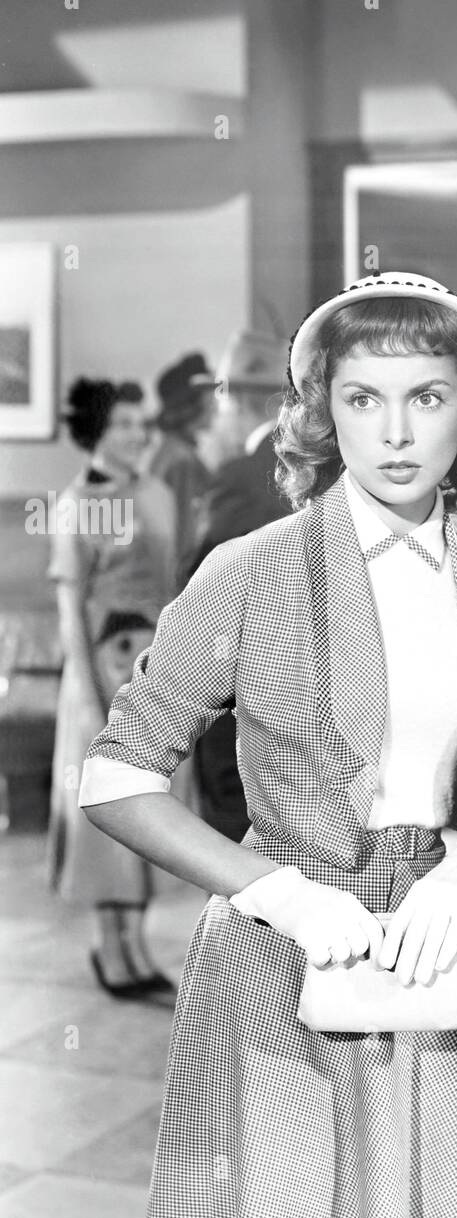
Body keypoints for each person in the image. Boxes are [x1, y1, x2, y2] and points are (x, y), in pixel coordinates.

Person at [77, 272, 457, 1218]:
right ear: (322, 409)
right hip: (277, 967)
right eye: (362, 398)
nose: (394, 431)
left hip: (429, 967)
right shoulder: (250, 571)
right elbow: (115, 773)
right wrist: (277, 891)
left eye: (427, 397)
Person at [47, 377, 182, 999]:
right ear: (97, 430)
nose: (136, 435)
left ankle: (136, 942)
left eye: (141, 423)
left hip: (155, 669)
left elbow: (176, 586)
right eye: (123, 423)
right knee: (107, 806)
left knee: (152, 803)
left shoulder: (155, 493)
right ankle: (110, 947)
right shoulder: (78, 503)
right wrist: (91, 696)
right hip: (99, 673)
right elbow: (70, 609)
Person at [180, 330, 292, 841]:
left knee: (241, 875)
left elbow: (204, 598)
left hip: (248, 708)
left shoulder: (238, 479)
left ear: (236, 399)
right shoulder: (333, 471)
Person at [145, 352, 215, 575]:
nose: (216, 405)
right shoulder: (181, 460)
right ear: (194, 404)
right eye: (211, 396)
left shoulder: (170, 450)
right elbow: (182, 544)